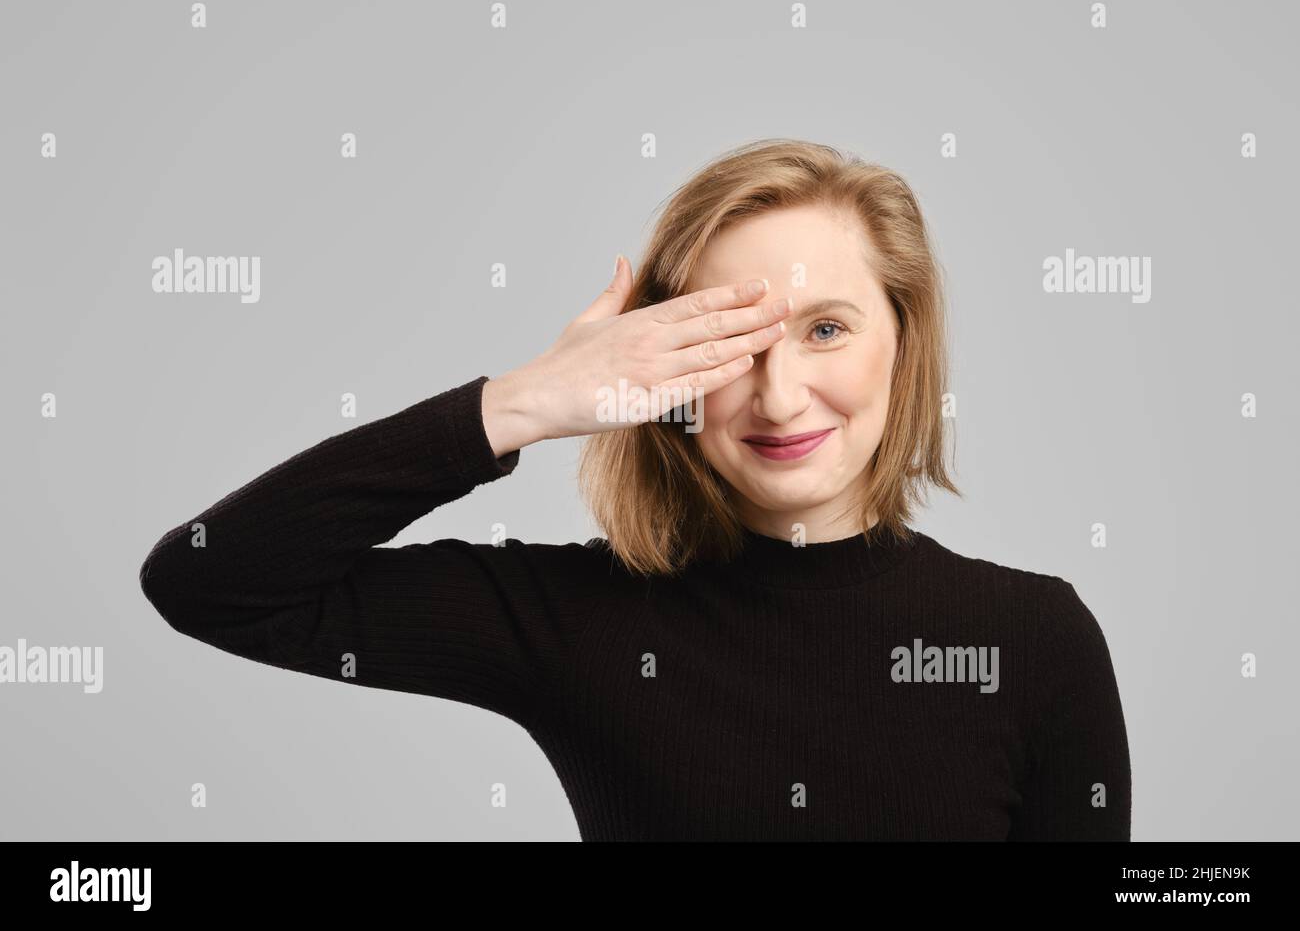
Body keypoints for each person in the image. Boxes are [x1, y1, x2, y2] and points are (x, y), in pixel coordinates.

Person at [138, 138, 1131, 840]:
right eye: (726, 343)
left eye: (825, 328)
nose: (779, 395)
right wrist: (521, 402)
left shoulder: (1032, 638)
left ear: (901, 341)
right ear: (661, 365)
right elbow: (209, 581)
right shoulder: (583, 616)